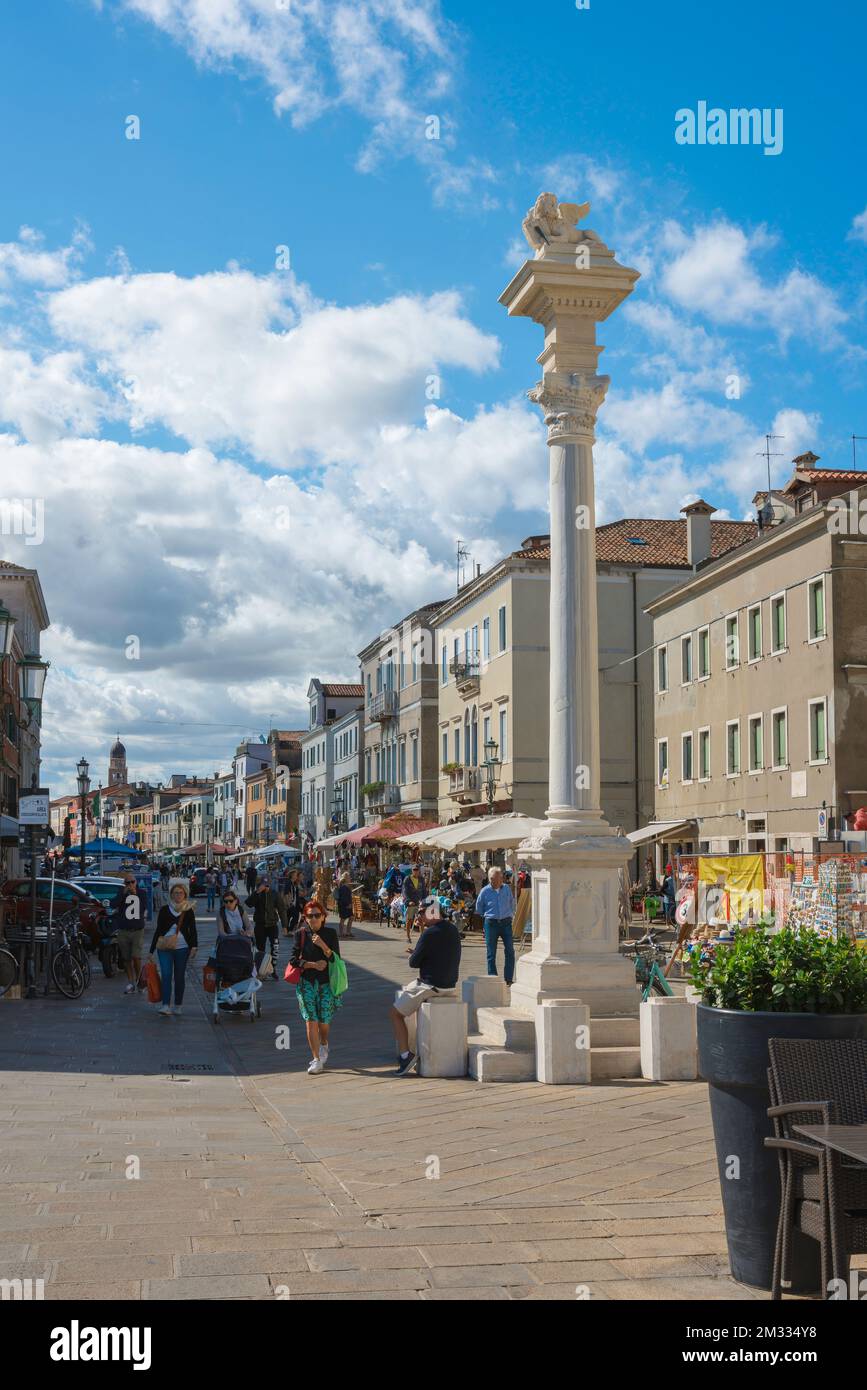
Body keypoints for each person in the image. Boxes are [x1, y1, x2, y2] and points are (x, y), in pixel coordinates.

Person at [390, 896, 461, 1076]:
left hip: (430, 984)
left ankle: (406, 1055)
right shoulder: (452, 929)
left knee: (395, 1013)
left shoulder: (429, 933)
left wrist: (414, 954)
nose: (419, 916)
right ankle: (410, 1047)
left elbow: (413, 963)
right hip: (449, 985)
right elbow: (439, 954)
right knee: (407, 999)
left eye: (421, 912)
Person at [290, 900, 341, 1074]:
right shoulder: (300, 934)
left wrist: (323, 946)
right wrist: (311, 964)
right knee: (311, 1020)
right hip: (306, 983)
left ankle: (324, 1043)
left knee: (323, 1022)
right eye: (310, 916)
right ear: (305, 918)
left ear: (323, 917)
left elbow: (336, 959)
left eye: (317, 915)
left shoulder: (331, 934)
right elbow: (293, 960)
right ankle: (316, 1059)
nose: (313, 919)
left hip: (326, 984)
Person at [148, 882, 197, 1016]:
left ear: (185, 894)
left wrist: (194, 946)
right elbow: (158, 930)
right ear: (171, 895)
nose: (178, 895)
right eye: (175, 893)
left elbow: (192, 930)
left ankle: (178, 1005)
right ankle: (165, 1005)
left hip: (183, 948)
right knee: (166, 975)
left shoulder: (188, 910)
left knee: (179, 976)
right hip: (164, 947)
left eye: (180, 893)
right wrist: (151, 951)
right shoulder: (164, 910)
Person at [475, 866, 516, 986]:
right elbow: (479, 907)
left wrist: (510, 914)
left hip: (506, 922)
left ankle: (508, 979)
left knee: (510, 951)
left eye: (501, 878)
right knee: (491, 953)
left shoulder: (506, 888)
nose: (499, 881)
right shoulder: (485, 891)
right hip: (491, 923)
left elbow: (511, 902)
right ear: (490, 879)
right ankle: (493, 978)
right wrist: (487, 916)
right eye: (496, 879)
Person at [113, 872, 148, 996]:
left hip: (137, 930)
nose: (130, 884)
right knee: (126, 958)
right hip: (124, 930)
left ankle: (139, 981)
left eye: (132, 882)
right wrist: (123, 895)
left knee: (136, 956)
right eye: (127, 882)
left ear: (136, 882)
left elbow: (143, 908)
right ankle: (131, 982)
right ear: (124, 884)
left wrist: (135, 895)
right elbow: (113, 904)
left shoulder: (142, 893)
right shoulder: (121, 893)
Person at [251, 879, 281, 978]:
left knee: (275, 946)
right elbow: (248, 903)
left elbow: (281, 908)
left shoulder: (273, 894)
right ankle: (261, 970)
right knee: (260, 949)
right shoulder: (257, 895)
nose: (266, 887)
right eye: (264, 885)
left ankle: (272, 969)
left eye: (267, 885)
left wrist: (285, 926)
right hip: (260, 925)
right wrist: (257, 892)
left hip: (272, 924)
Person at [401, 864, 424, 952]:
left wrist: (424, 900)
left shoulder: (421, 879)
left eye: (417, 870)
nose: (415, 871)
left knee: (421, 919)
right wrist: (408, 901)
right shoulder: (407, 879)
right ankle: (408, 936)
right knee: (409, 920)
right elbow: (405, 891)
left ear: (419, 871)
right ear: (412, 871)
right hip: (411, 902)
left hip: (419, 902)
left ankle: (422, 937)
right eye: (414, 870)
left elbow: (424, 890)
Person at [336, 871, 354, 940]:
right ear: (346, 878)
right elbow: (343, 898)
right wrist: (347, 904)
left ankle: (348, 932)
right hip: (344, 905)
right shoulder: (343, 887)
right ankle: (341, 933)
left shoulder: (346, 886)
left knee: (351, 917)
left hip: (347, 905)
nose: (350, 878)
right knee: (343, 919)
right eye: (349, 877)